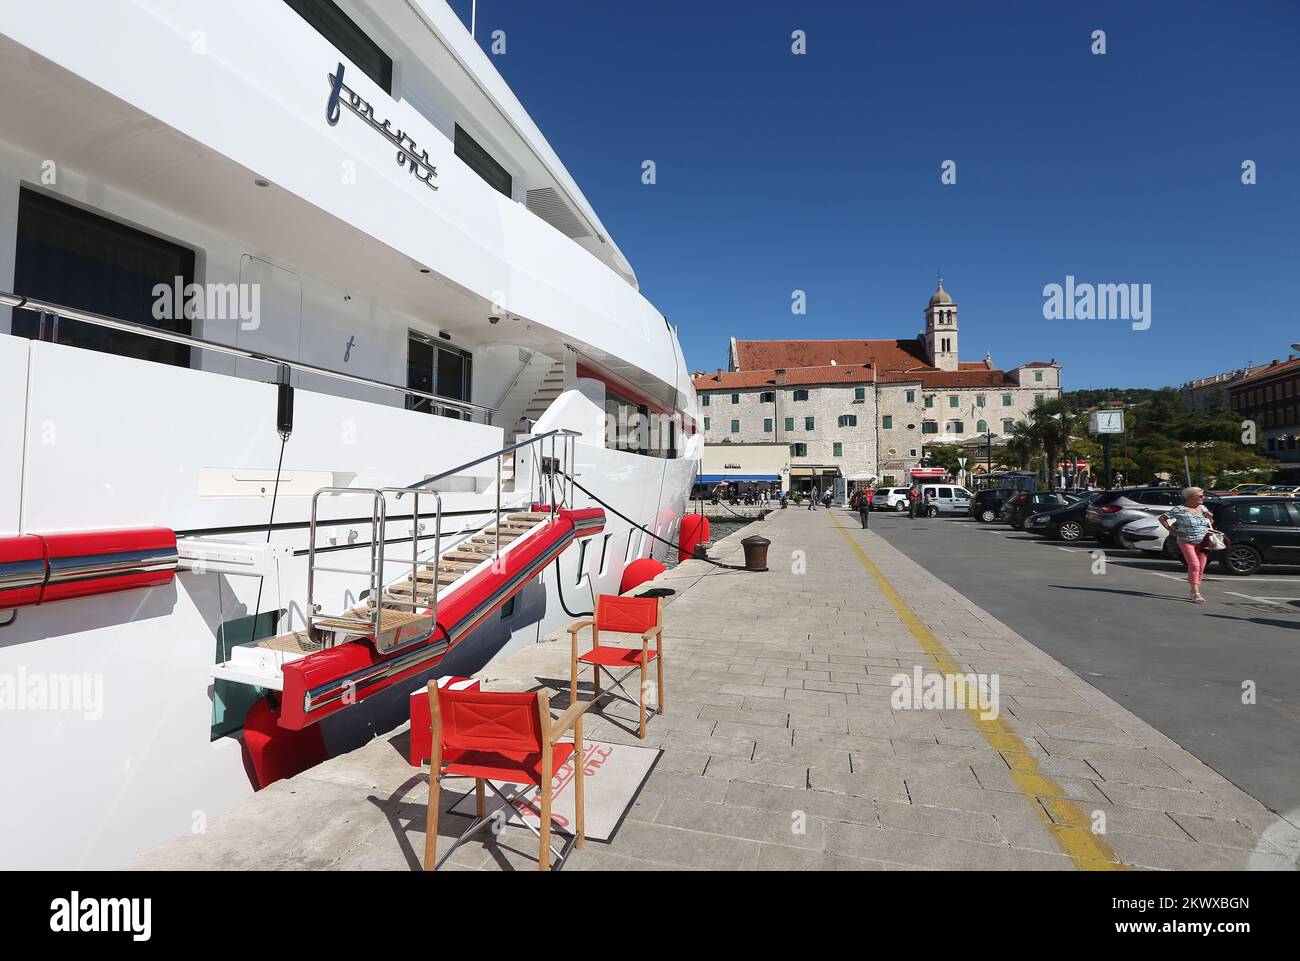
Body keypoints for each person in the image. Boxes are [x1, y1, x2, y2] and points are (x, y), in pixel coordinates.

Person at [1159, 487, 1215, 604]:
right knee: (1194, 565)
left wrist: (1210, 516)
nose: (1203, 497)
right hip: (1186, 541)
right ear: (1191, 497)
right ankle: (1196, 593)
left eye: (1203, 495)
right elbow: (1162, 518)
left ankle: (1193, 589)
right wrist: (1173, 531)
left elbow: (1209, 524)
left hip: (1203, 542)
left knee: (1200, 568)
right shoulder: (1180, 509)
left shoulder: (1203, 508)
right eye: (1200, 496)